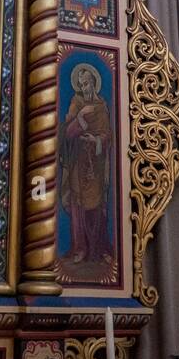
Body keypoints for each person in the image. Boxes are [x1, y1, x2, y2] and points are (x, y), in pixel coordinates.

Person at [61, 63, 113, 267]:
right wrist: (81, 116)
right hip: (79, 161)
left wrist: (97, 140)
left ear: (93, 82)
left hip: (97, 162)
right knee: (78, 204)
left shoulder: (102, 106)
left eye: (86, 83)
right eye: (81, 85)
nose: (84, 88)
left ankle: (98, 248)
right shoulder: (76, 102)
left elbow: (108, 133)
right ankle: (80, 248)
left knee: (98, 205)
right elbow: (66, 131)